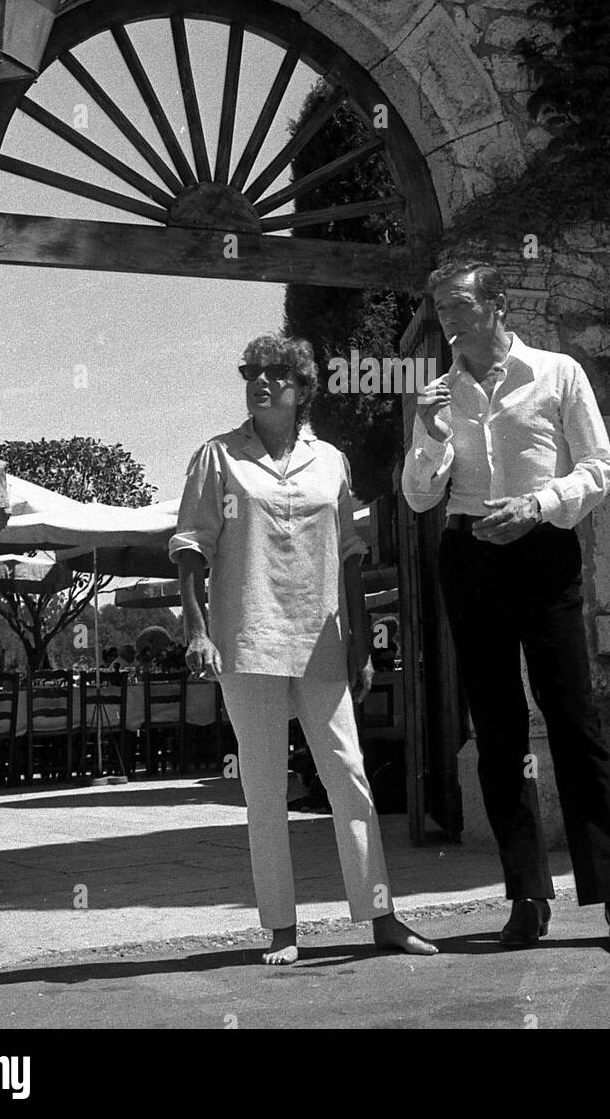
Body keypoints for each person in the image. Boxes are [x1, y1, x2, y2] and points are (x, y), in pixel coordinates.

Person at [401, 262, 610, 954]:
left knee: (574, 721)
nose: (447, 320)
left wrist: (536, 506)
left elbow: (600, 470)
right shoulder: (437, 395)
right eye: (439, 309)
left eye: (456, 306)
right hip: (469, 554)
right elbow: (420, 495)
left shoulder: (557, 372)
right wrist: (429, 434)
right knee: (499, 730)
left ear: (496, 305)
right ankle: (527, 899)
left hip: (541, 550)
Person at [170, 332, 438, 966]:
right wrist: (198, 629)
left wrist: (363, 643)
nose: (260, 381)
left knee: (349, 778)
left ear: (302, 387)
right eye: (251, 371)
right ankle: (281, 929)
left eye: (275, 373)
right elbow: (190, 547)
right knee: (264, 787)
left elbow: (350, 557)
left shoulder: (332, 461)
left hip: (324, 640)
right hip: (246, 637)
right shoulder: (216, 457)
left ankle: (382, 917)